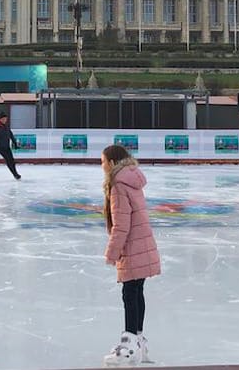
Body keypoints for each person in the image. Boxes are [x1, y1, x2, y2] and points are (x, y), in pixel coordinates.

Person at [100, 144, 159, 366]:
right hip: (142, 243)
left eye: (103, 161)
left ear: (113, 163)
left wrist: (112, 253)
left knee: (130, 293)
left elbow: (122, 225)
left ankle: (128, 347)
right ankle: (138, 343)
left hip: (132, 246)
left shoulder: (118, 185)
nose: (102, 166)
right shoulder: (132, 179)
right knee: (136, 291)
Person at [0, 112, 21, 180]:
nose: (5, 120)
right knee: (8, 160)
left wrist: (15, 143)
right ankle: (15, 174)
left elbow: (11, 134)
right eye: (3, 119)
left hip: (6, 146)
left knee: (12, 160)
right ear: (0, 119)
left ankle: (15, 173)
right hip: (0, 147)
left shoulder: (6, 126)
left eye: (6, 119)